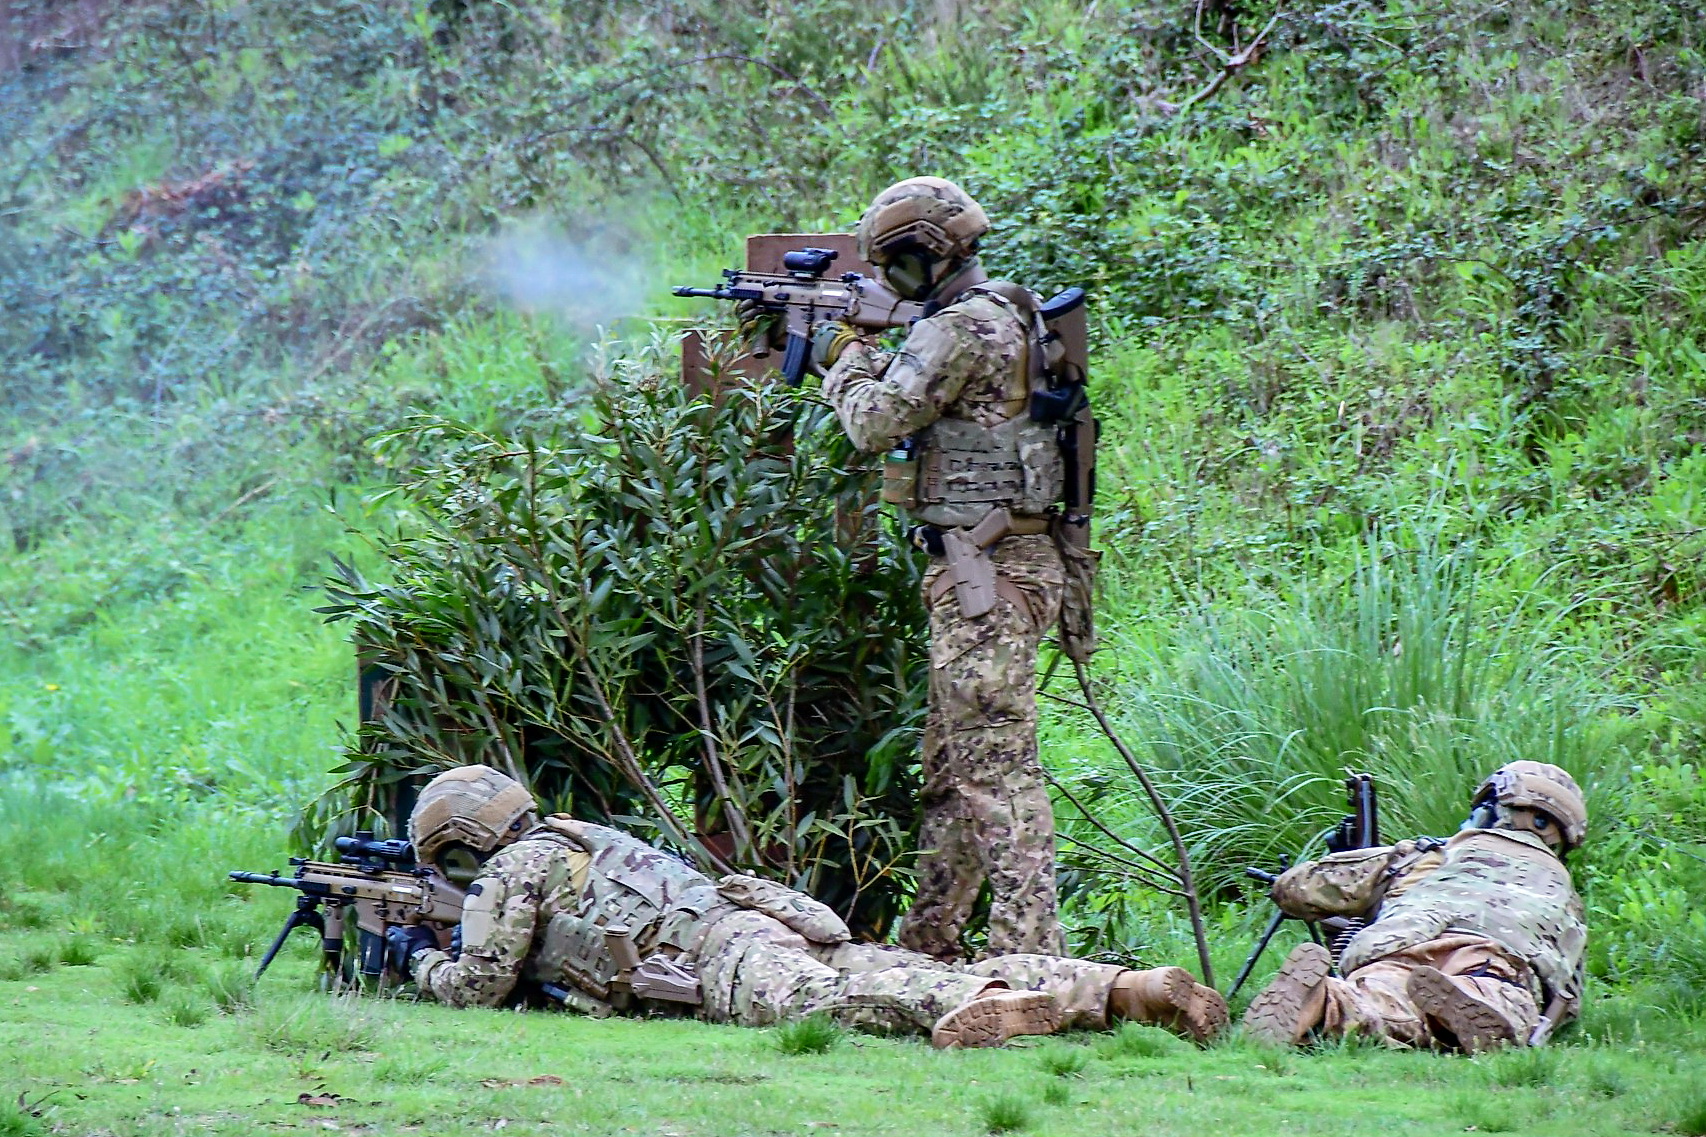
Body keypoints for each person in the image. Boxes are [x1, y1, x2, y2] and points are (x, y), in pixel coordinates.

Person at [389, 765, 1228, 1048]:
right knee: (917, 962)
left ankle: (985, 1009)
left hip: (722, 959)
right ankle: (1121, 986)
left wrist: (413, 957)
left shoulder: (510, 873)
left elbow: (476, 986)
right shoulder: (584, 835)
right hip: (767, 922)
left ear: (464, 843)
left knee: (833, 1004)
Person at [812, 176, 1071, 961]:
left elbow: (874, 422)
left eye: (895, 267)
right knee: (954, 776)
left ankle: (1030, 957)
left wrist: (844, 357)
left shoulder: (957, 330)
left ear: (928, 258)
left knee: (997, 777)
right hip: (990, 567)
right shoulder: (1008, 311)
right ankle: (930, 946)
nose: (892, 283)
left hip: (984, 574)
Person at [1241, 761, 1588, 1053]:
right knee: (1500, 1003)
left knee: (1375, 1003)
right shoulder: (1566, 898)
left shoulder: (1429, 855)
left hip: (1402, 946)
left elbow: (1303, 888)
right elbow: (1567, 995)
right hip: (1493, 961)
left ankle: (1322, 1002)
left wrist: (1287, 885)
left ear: (1488, 812)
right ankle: (1466, 1001)